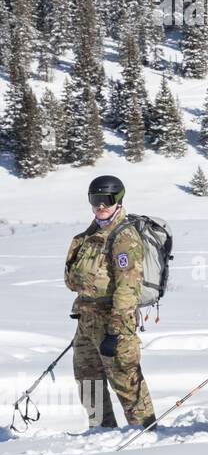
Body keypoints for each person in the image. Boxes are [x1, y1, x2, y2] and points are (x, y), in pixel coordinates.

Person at [64, 175, 155, 428]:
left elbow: (128, 286)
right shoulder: (88, 237)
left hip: (114, 322)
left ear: (118, 200)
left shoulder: (124, 237)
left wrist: (115, 332)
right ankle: (101, 432)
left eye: (107, 200)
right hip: (86, 321)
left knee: (126, 382)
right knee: (87, 380)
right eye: (95, 200)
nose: (101, 206)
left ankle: (146, 432)